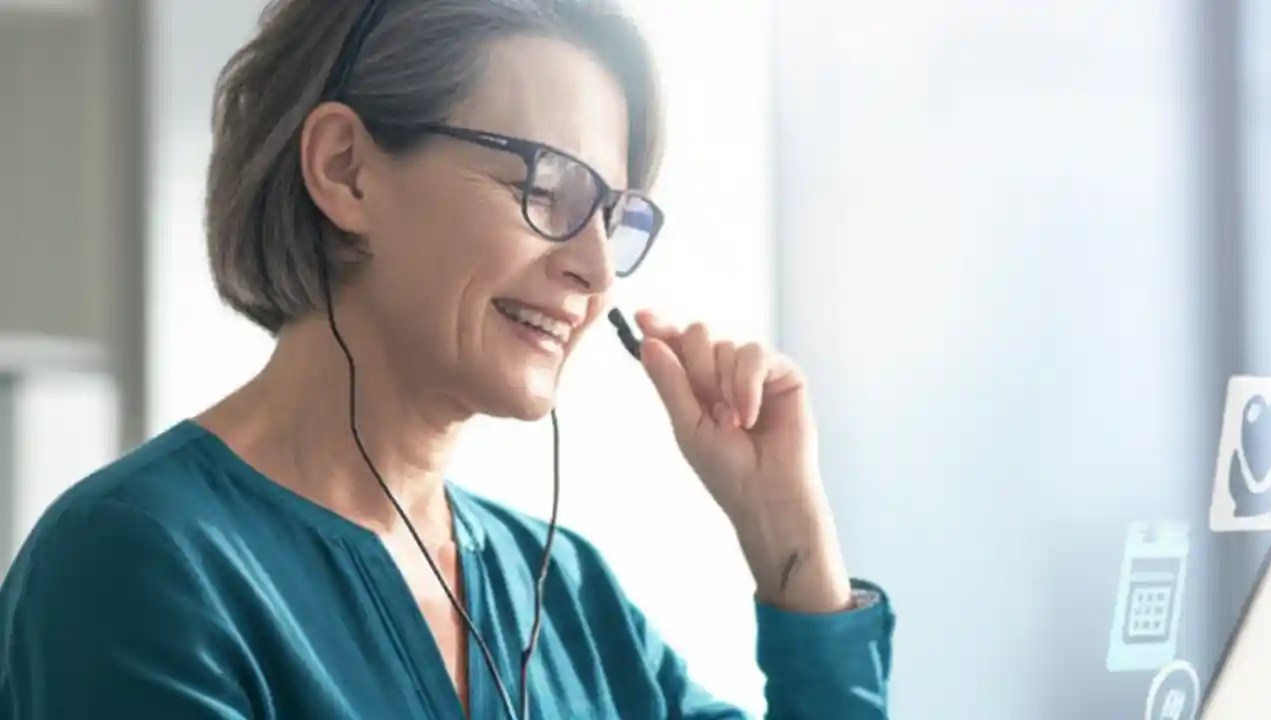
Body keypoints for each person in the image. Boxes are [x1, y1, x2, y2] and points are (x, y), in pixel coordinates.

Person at [0, 1, 895, 717]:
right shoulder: (137, 562)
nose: (593, 269)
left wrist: (791, 549)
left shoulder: (567, 593)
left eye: (613, 216)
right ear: (347, 168)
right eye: (546, 186)